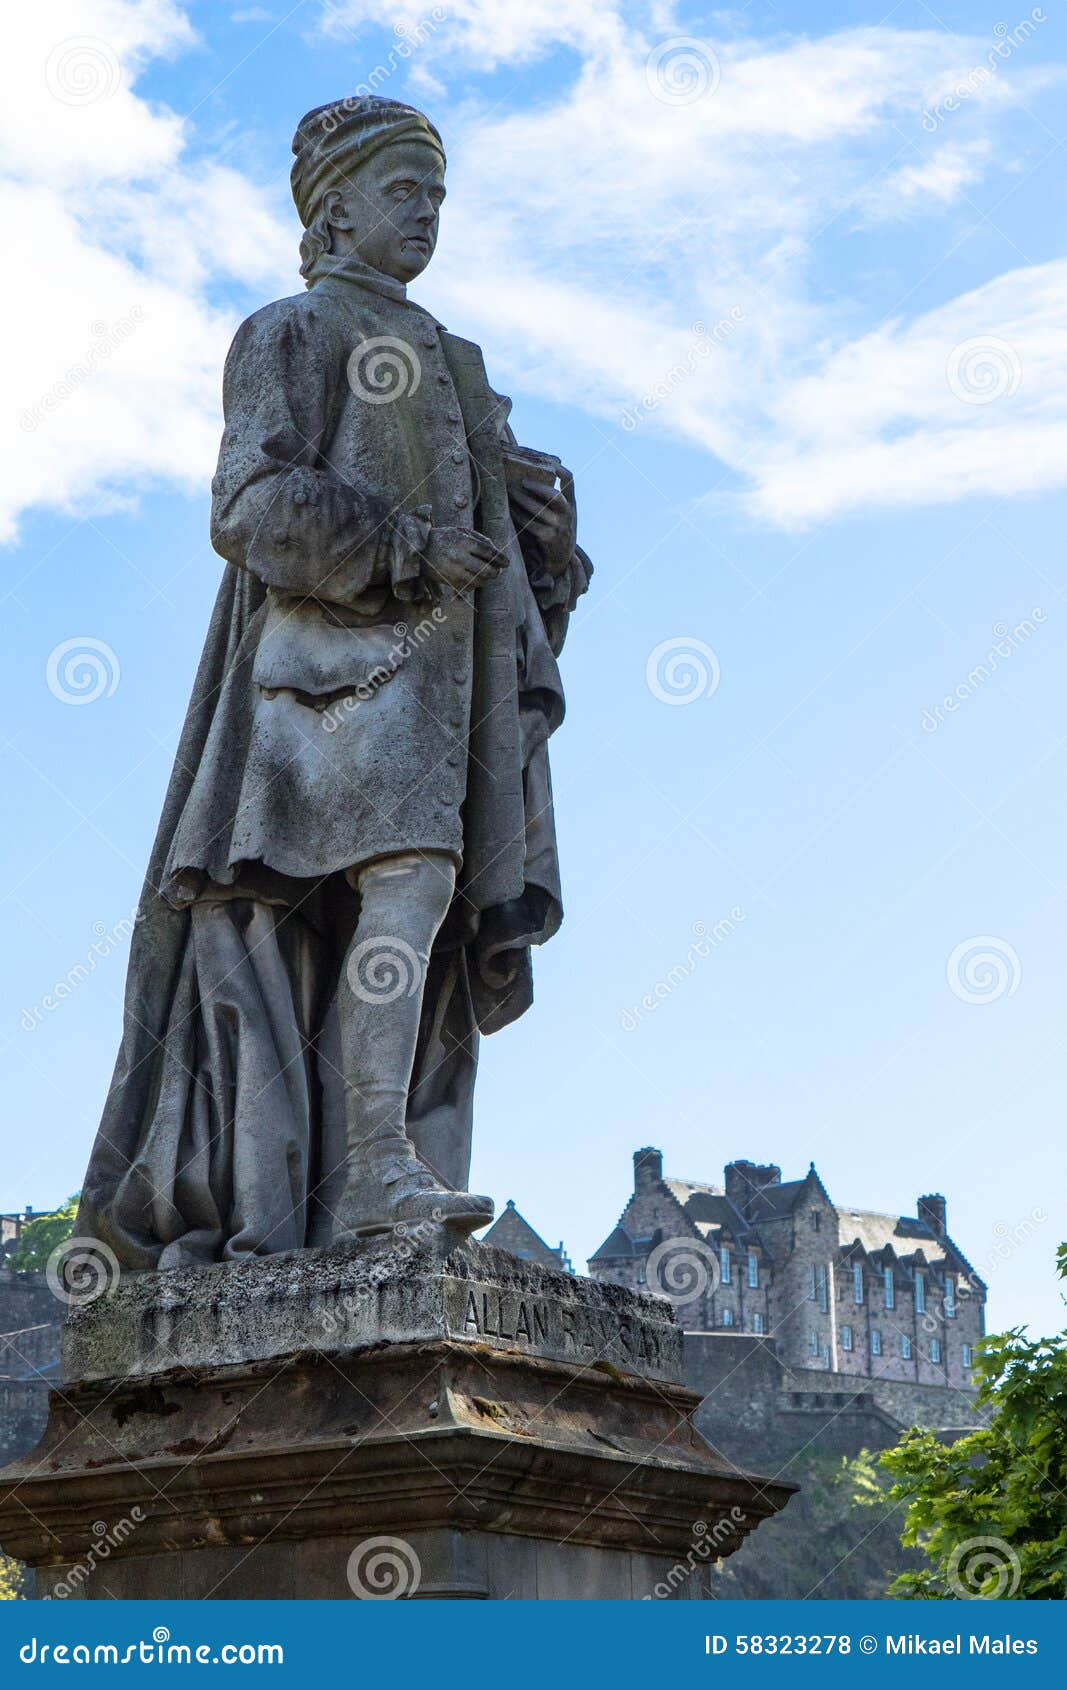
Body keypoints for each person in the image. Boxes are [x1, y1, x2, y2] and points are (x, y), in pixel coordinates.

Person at [76, 96, 591, 1267]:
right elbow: (248, 503)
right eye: (405, 191)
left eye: (438, 197)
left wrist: (542, 539)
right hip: (320, 692)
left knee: (424, 904)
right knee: (392, 894)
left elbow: (503, 556)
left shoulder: (455, 361)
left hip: (438, 702)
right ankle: (366, 1170)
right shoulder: (289, 332)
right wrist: (404, 546)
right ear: (336, 205)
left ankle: (378, 1167)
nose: (426, 216)